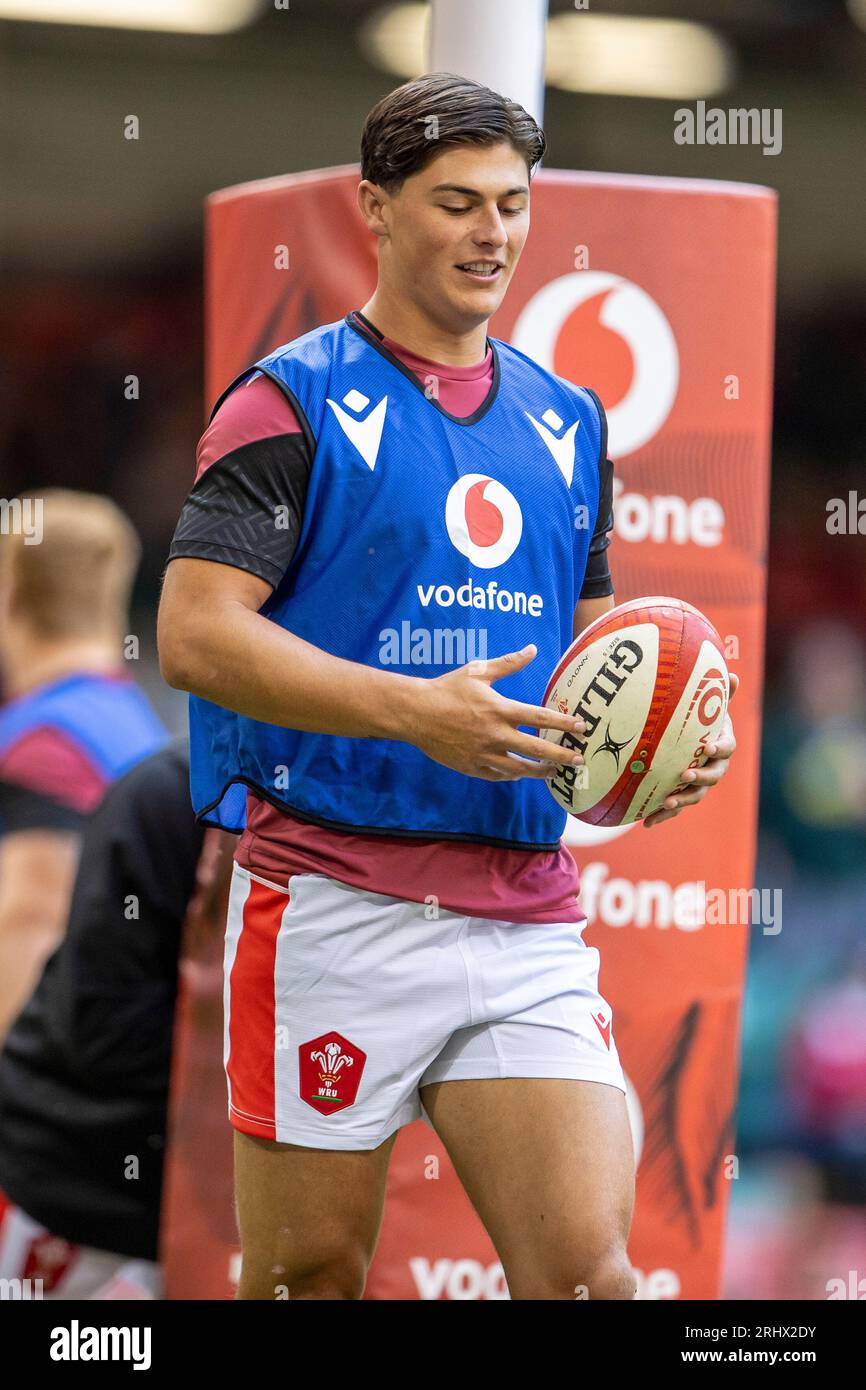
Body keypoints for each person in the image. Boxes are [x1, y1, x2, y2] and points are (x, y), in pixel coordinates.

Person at [158, 73, 737, 1300]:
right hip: (332, 898)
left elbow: (595, 663)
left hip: (521, 909)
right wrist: (414, 710)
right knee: (306, 1276)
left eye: (513, 206)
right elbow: (197, 637)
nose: (492, 234)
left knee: (591, 1278)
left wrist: (666, 743)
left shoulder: (571, 418)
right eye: (456, 202)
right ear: (372, 208)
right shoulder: (286, 402)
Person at [0, 738, 233, 1299]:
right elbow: (103, 1031)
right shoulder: (170, 794)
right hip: (83, 1194)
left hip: (230, 1201)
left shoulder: (367, 808)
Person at [0, 489, 167, 1040]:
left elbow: (30, 926)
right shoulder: (135, 721)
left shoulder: (47, 744)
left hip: (52, 1081)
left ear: (9, 596)